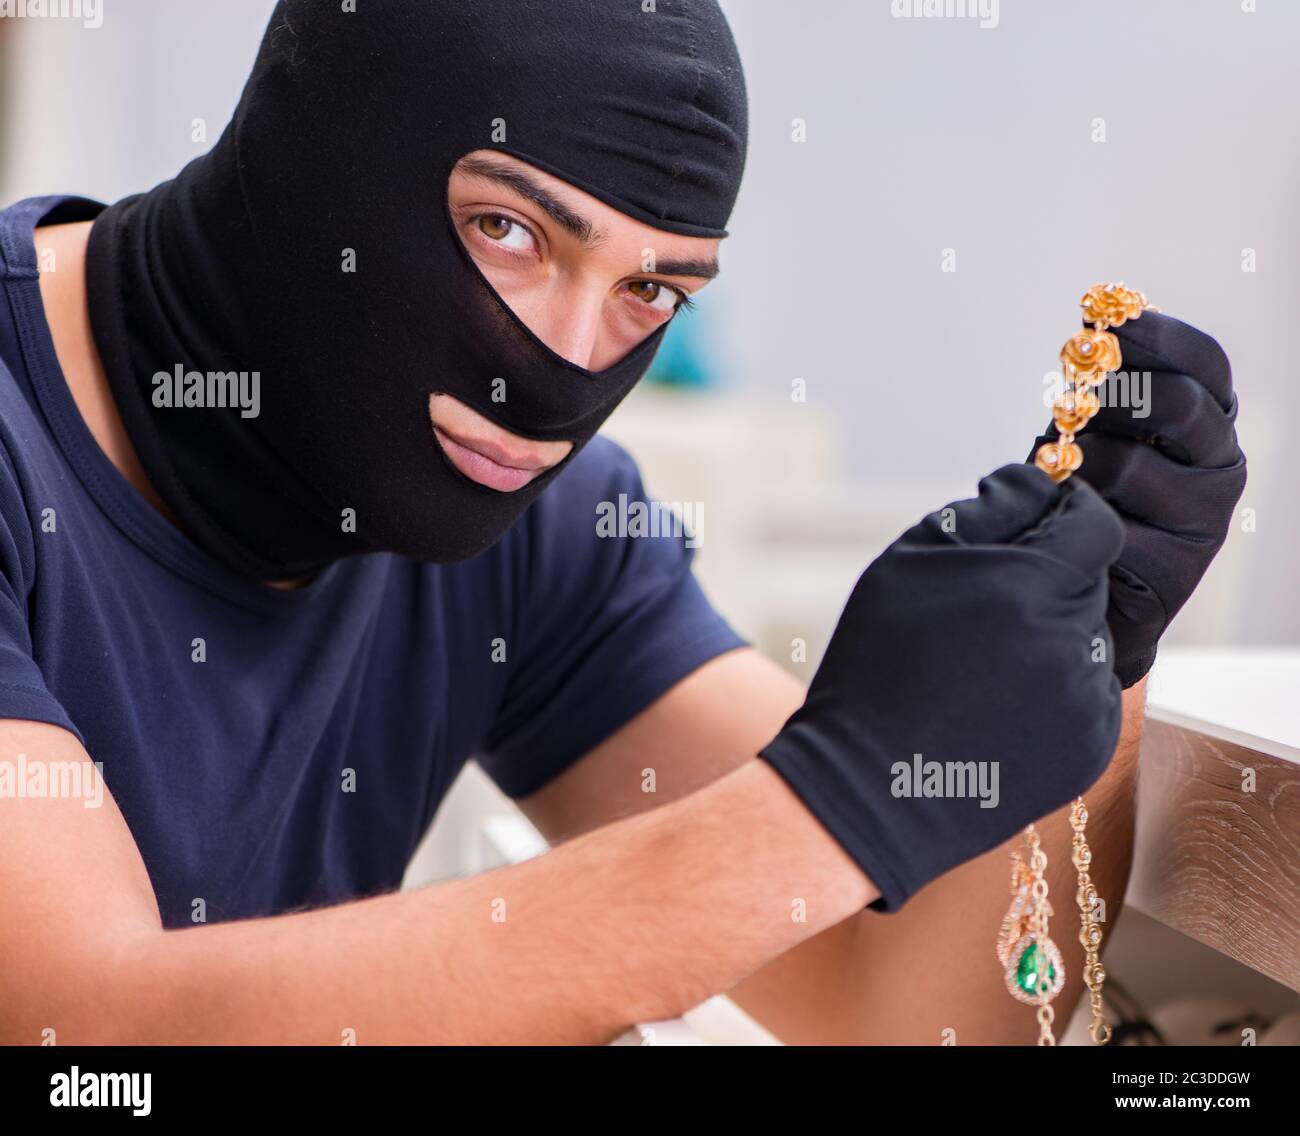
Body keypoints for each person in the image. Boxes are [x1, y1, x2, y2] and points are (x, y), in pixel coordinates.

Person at [0, 0, 1244, 1044]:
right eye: (509, 232)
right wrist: (832, 800)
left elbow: (911, 1014)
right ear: (316, 143)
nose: (563, 368)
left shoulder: (537, 519)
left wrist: (1096, 644)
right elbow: (81, 1035)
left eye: (650, 288)